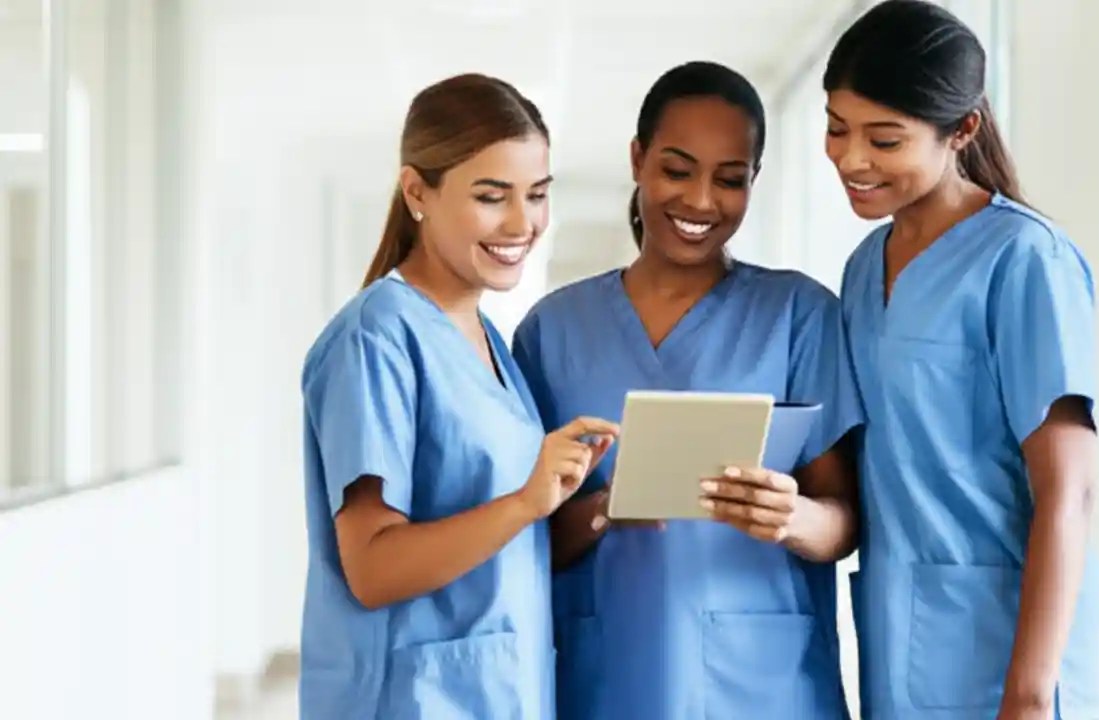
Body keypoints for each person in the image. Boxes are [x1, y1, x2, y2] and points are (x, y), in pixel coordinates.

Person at [512, 61, 863, 720]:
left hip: (763, 685)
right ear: (638, 159)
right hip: (609, 677)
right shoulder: (552, 333)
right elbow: (520, 537)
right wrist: (603, 509)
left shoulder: (798, 316)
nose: (702, 202)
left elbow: (842, 519)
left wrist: (792, 518)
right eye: (677, 170)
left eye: (730, 180)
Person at [823, 2, 1099, 719]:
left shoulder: (1024, 261)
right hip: (905, 652)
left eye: (884, 140)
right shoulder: (863, 270)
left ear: (962, 131)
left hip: (1013, 666)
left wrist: (1028, 694)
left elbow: (1069, 490)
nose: (852, 159)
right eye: (836, 129)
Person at [297, 73, 619, 720]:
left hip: (497, 694)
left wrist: (603, 508)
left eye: (536, 195)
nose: (521, 223)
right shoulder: (377, 339)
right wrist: (527, 499)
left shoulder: (489, 341)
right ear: (418, 191)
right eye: (491, 196)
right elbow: (374, 568)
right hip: (413, 699)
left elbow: (500, 547)